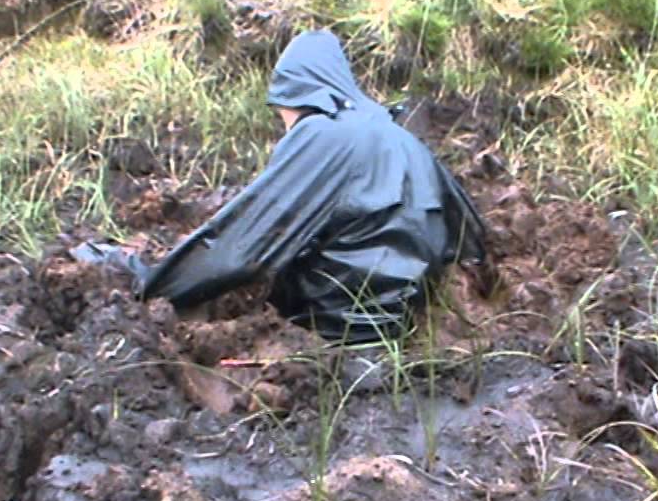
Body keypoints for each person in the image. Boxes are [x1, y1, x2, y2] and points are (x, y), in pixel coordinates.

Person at [120, 30, 487, 344]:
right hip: (407, 326)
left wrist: (148, 282)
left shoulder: (324, 133)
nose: (286, 129)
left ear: (298, 96)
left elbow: (242, 247)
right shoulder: (405, 139)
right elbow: (469, 233)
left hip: (338, 330)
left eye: (283, 115)